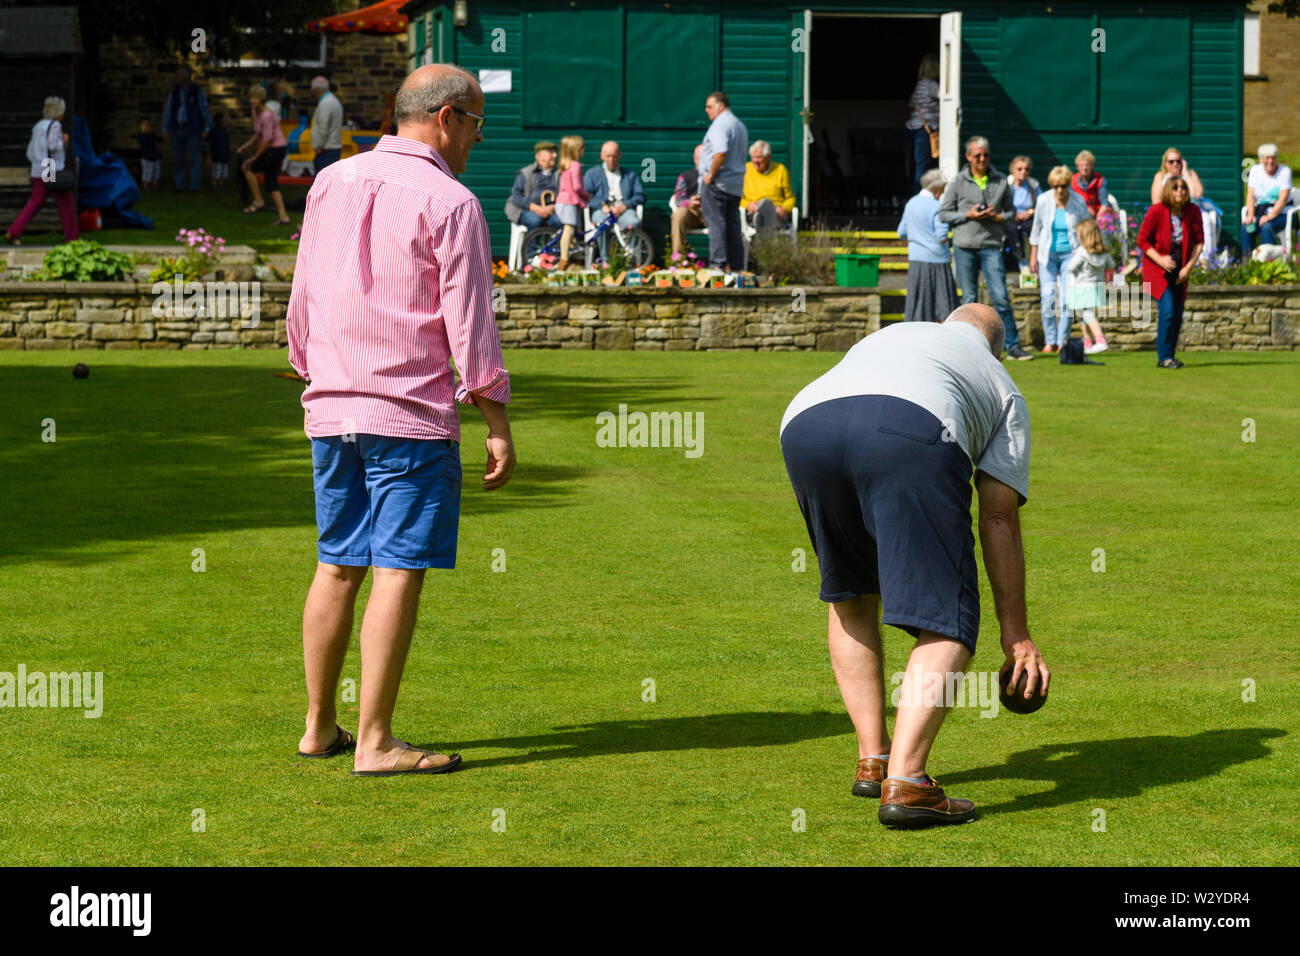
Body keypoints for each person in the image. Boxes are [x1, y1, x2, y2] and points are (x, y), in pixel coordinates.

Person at [286, 63, 514, 776]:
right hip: (407, 411)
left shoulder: (332, 180)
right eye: (477, 124)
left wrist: (314, 370)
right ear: (447, 118)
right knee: (395, 570)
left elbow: (303, 299)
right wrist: (496, 417)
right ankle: (376, 741)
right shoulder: (452, 201)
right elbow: (470, 324)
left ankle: (319, 725)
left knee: (336, 565)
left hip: (332, 405)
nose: (477, 139)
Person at [779, 303, 1048, 829]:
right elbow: (997, 518)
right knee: (948, 615)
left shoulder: (897, 333)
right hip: (912, 426)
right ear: (997, 349)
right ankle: (907, 782)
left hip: (805, 422)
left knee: (850, 592)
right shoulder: (1001, 381)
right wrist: (1016, 635)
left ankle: (873, 757)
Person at [938, 136, 1032, 360]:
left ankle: (1013, 346)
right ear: (968, 156)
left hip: (991, 245)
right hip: (964, 246)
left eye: (985, 155)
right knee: (969, 298)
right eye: (977, 155)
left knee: (1001, 296)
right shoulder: (958, 182)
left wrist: (999, 216)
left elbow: (1011, 212)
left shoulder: (1000, 181)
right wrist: (967, 215)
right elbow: (943, 213)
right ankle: (967, 347)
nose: (982, 159)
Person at [1138, 176, 1204, 369]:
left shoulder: (1192, 211)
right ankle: (1164, 357)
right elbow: (1143, 241)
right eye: (1175, 188)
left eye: (1183, 188)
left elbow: (1199, 242)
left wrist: (1187, 268)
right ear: (1168, 190)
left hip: (1180, 266)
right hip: (1157, 267)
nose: (1180, 191)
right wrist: (1160, 259)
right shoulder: (1156, 211)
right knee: (1167, 309)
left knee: (1177, 312)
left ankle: (1170, 356)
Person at [1028, 166, 1091, 354]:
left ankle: (1062, 341)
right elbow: (1036, 229)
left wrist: (1087, 254)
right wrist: (1033, 255)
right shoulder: (1043, 200)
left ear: (1068, 185)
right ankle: (1050, 340)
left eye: (1063, 186)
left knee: (1067, 299)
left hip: (1071, 256)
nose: (1060, 190)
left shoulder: (1078, 201)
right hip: (1047, 256)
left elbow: (1087, 228)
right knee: (1047, 296)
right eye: (1055, 186)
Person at [5, 96, 78, 246]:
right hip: (51, 166)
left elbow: (30, 151)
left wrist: (38, 163)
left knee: (35, 202)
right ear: (58, 112)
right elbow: (52, 146)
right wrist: (63, 142)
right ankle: (72, 238)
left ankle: (13, 232)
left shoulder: (38, 126)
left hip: (38, 167)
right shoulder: (55, 125)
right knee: (66, 203)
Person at [897, 168, 957, 322]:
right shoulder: (936, 206)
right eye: (942, 188)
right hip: (937, 260)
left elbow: (901, 232)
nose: (943, 191)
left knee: (917, 306)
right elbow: (942, 235)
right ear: (935, 187)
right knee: (944, 307)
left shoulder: (911, 203)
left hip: (916, 259)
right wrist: (949, 246)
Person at [699, 90, 748, 271]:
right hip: (734, 184)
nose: (706, 110)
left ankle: (717, 265)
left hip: (718, 184)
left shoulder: (720, 125)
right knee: (733, 225)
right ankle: (736, 266)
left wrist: (710, 175)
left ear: (721, 106)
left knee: (717, 224)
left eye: (709, 106)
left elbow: (720, 152)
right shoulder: (739, 125)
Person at [1152, 148, 1220, 262]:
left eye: (1178, 161)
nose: (1175, 164)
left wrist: (1185, 173)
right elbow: (1156, 201)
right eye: (1171, 161)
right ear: (1165, 163)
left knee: (1206, 220)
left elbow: (1197, 194)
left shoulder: (1190, 174)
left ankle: (1204, 259)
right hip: (1170, 211)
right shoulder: (1161, 177)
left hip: (1191, 210)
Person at [238, 84, 291, 226]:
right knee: (271, 184)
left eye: (255, 98)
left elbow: (266, 140)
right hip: (271, 148)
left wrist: (253, 158)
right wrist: (245, 146)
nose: (252, 101)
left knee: (247, 167)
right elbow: (258, 134)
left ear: (261, 99)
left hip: (276, 149)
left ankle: (259, 201)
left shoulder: (267, 115)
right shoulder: (255, 112)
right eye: (251, 98)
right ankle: (284, 216)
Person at [582, 140, 646, 257]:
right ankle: (605, 260)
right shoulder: (592, 174)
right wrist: (602, 206)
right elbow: (586, 195)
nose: (611, 159)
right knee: (601, 222)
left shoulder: (630, 175)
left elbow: (640, 195)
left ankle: (628, 257)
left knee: (634, 222)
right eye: (608, 156)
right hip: (603, 211)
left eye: (614, 156)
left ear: (619, 155)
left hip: (624, 210)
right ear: (602, 156)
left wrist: (625, 205)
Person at [162, 64, 211, 192]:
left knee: (195, 157)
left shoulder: (196, 91)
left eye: (179, 74)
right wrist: (165, 128)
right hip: (178, 127)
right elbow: (169, 110)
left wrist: (207, 127)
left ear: (186, 76)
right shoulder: (175, 92)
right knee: (179, 158)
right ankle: (180, 185)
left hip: (193, 127)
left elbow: (204, 109)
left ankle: (194, 185)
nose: (176, 77)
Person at [1065, 218, 1111, 354]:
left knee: (1087, 314)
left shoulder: (1081, 253)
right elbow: (1112, 265)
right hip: (1095, 287)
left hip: (1081, 288)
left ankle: (1101, 340)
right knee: (1081, 314)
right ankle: (1087, 342)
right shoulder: (1104, 253)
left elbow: (1070, 267)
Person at [1240, 143, 1293, 255]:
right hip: (1261, 211)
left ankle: (1269, 262)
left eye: (1273, 158)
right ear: (1260, 159)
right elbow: (1250, 196)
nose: (1270, 161)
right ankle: (1247, 260)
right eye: (1266, 158)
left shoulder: (1285, 172)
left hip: (1283, 214)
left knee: (1266, 227)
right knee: (1246, 227)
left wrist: (1270, 216)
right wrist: (1250, 215)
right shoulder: (1255, 170)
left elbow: (1283, 199)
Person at [742, 140, 796, 236]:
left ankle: (762, 237)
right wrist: (749, 205)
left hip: (776, 213)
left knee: (766, 207)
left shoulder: (780, 170)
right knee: (759, 213)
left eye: (759, 157)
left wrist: (783, 209)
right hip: (753, 213)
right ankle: (767, 241)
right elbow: (738, 197)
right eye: (753, 157)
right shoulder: (745, 170)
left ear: (769, 157)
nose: (755, 161)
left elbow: (790, 198)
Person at [506, 141, 561, 231]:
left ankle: (554, 245)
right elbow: (516, 196)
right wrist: (535, 208)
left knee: (559, 221)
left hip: (553, 211)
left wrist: (555, 207)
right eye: (551, 152)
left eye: (555, 152)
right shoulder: (526, 172)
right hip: (528, 209)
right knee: (535, 220)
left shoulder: (560, 173)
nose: (555, 155)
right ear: (538, 155)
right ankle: (530, 245)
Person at [905, 55, 940, 193]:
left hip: (914, 128)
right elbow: (947, 96)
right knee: (923, 167)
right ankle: (918, 196)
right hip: (925, 130)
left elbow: (910, 105)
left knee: (918, 166)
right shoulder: (931, 85)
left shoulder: (919, 85)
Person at [555, 135, 589, 270]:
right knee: (568, 231)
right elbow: (577, 187)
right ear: (575, 150)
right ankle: (564, 259)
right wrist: (587, 196)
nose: (584, 151)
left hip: (562, 201)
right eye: (582, 148)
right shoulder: (575, 166)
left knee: (570, 231)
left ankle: (569, 257)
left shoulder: (565, 165)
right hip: (569, 203)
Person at [1003, 156, 1039, 281]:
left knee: (1035, 229)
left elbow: (1040, 204)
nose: (1023, 172)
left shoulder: (1034, 185)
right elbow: (1000, 204)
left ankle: (1034, 263)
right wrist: (1014, 214)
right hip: (1009, 218)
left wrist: (1029, 212)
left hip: (1028, 218)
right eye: (1019, 169)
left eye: (1026, 169)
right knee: (1012, 229)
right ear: (1012, 170)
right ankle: (1022, 262)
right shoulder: (1006, 184)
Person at [671, 145, 705, 258]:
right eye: (700, 158)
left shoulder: (716, 175)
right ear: (695, 159)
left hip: (710, 211)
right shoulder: (685, 176)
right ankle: (678, 259)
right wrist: (689, 203)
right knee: (678, 215)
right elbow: (678, 199)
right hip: (692, 212)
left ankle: (722, 261)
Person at [309, 76, 344, 175]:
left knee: (321, 184)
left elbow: (323, 128)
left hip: (326, 149)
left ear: (316, 90)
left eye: (313, 91)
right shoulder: (333, 100)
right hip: (331, 148)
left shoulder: (326, 103)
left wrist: (319, 146)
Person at [1070, 150, 1108, 216]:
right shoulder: (1072, 180)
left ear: (1092, 166)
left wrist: (1099, 217)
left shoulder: (1100, 180)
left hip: (1097, 216)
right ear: (1077, 167)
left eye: (1087, 165)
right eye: (1081, 165)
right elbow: (1070, 202)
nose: (1084, 168)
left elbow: (1104, 204)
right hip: (1078, 215)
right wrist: (1085, 210)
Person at [138, 118, 161, 192]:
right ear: (141, 126)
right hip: (147, 158)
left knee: (156, 173)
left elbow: (159, 139)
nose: (148, 127)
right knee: (147, 173)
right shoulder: (141, 136)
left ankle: (155, 187)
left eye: (149, 125)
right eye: (146, 125)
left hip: (154, 157)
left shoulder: (152, 135)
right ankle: (146, 187)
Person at [208, 113, 230, 191]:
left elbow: (227, 144)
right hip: (216, 155)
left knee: (223, 171)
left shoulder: (225, 131)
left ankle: (220, 184)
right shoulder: (213, 131)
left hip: (224, 155)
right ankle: (214, 185)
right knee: (216, 170)